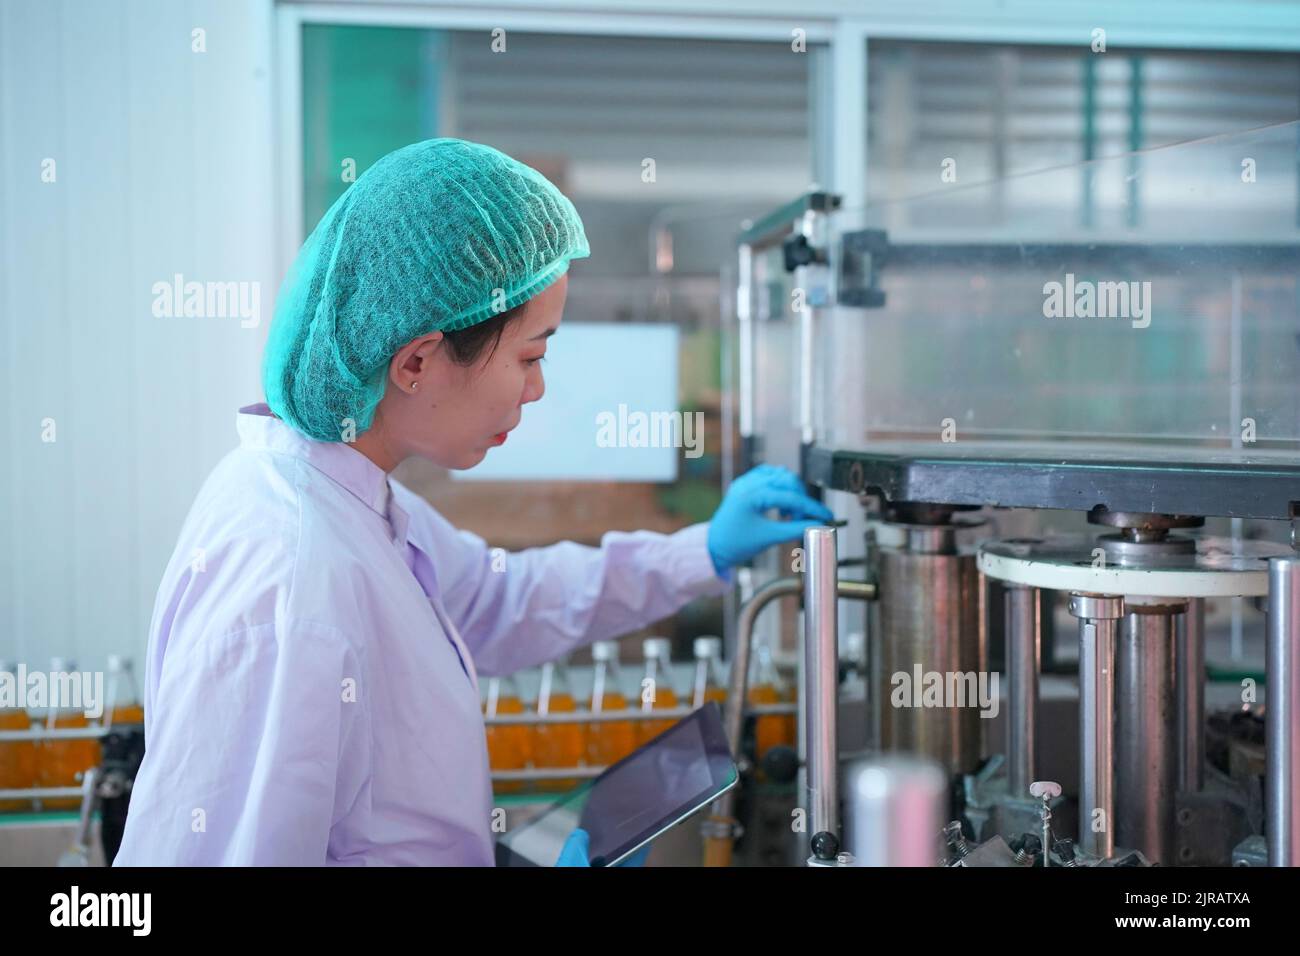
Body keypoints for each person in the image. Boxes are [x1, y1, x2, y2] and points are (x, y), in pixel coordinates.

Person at [113, 139, 831, 866]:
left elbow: (498, 599)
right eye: (531, 355)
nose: (538, 388)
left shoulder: (349, 499)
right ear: (417, 361)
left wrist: (699, 552)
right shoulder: (291, 581)